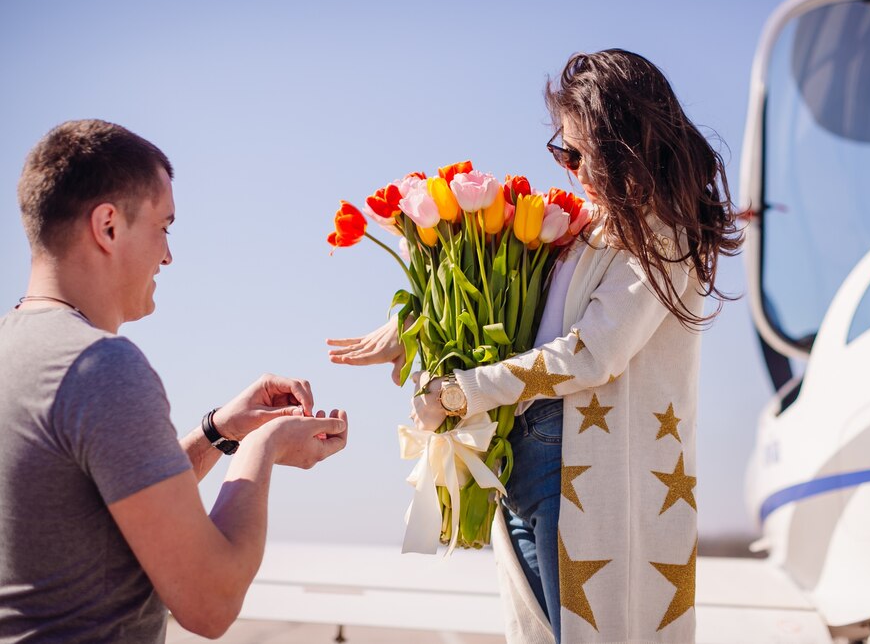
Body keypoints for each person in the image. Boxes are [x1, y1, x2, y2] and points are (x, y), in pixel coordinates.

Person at [329, 49, 741, 643]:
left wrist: (457, 393)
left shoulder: (662, 232)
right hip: (532, 457)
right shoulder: (593, 227)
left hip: (580, 464)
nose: (567, 168)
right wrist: (413, 328)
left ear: (620, 143)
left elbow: (592, 354)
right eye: (560, 152)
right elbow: (520, 313)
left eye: (577, 153)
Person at [0, 120, 349, 642]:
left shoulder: (18, 350)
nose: (168, 255)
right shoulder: (101, 367)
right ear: (109, 227)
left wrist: (220, 432)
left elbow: (108, 504)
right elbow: (211, 603)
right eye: (164, 227)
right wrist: (266, 445)